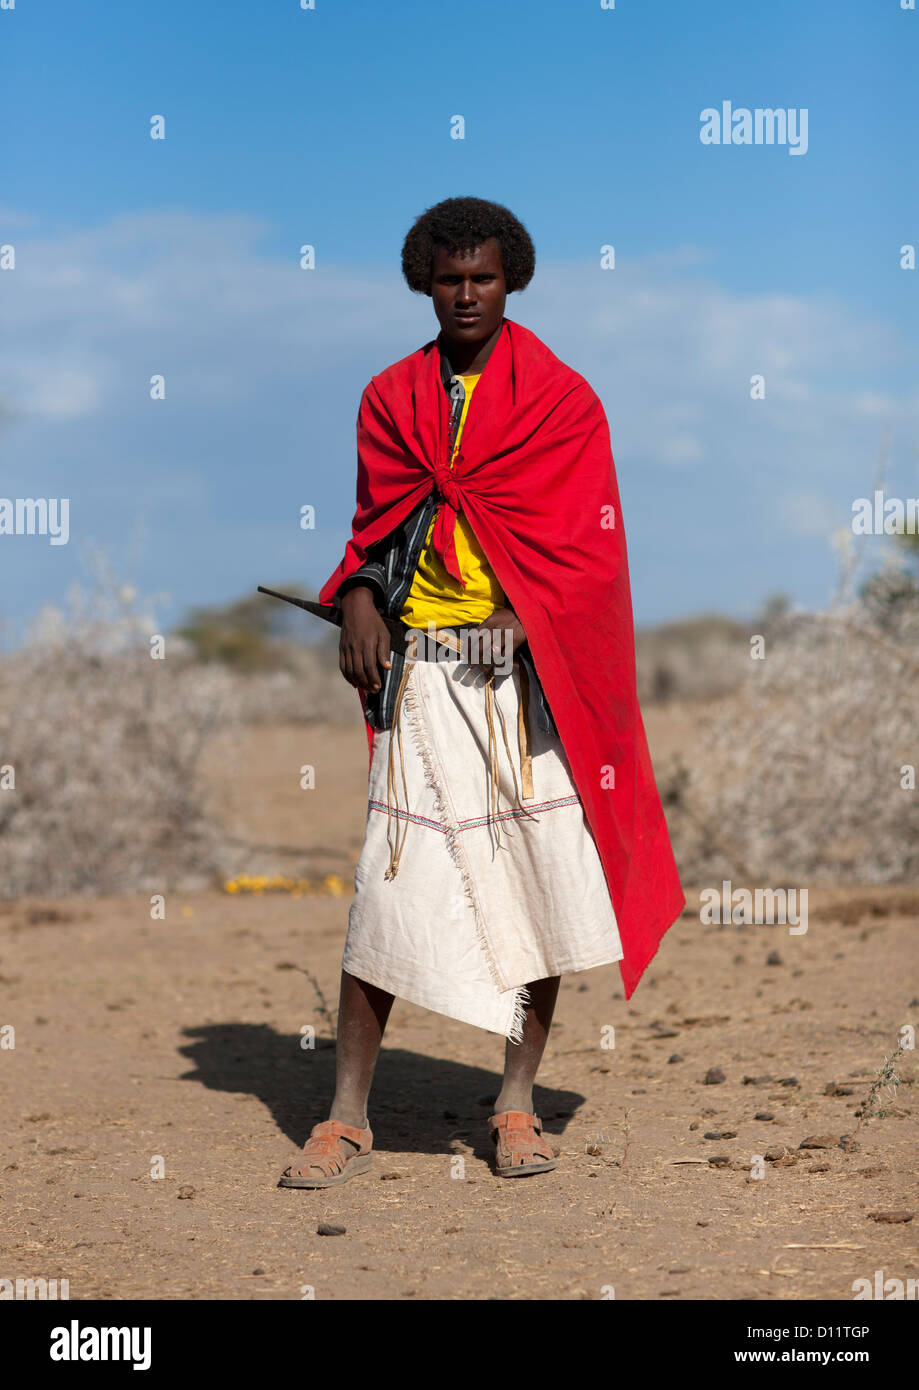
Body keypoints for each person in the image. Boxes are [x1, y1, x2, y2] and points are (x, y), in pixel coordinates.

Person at [279, 196, 683, 1187]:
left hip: (520, 684)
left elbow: (586, 549)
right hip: (423, 676)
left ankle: (514, 1106)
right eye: (450, 279)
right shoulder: (390, 397)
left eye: (484, 278)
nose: (466, 295)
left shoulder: (561, 401)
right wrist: (359, 598)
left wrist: (523, 611)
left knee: (534, 887)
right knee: (388, 888)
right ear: (424, 283)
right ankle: (346, 1116)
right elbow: (375, 528)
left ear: (513, 281)